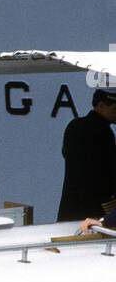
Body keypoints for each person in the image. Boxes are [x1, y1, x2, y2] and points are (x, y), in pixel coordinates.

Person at [57, 87, 116, 221]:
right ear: (101, 105)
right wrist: (111, 213)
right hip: (94, 211)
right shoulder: (104, 132)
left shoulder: (73, 125)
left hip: (69, 208)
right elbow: (105, 175)